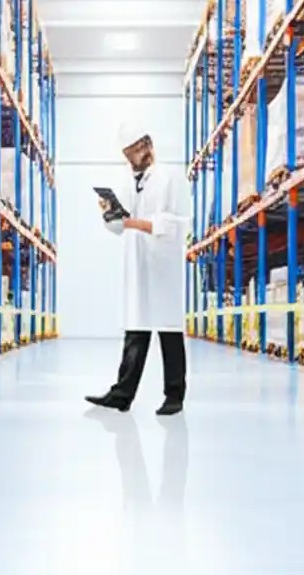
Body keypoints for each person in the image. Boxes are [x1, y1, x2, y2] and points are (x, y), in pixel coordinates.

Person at [86, 123, 189, 416]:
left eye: (143, 146)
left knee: (169, 331)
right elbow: (118, 227)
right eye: (134, 150)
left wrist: (137, 223)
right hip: (138, 263)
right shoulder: (127, 183)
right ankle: (122, 395)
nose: (141, 153)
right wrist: (109, 213)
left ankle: (174, 395)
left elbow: (179, 223)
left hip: (164, 264)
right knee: (136, 330)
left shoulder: (171, 177)